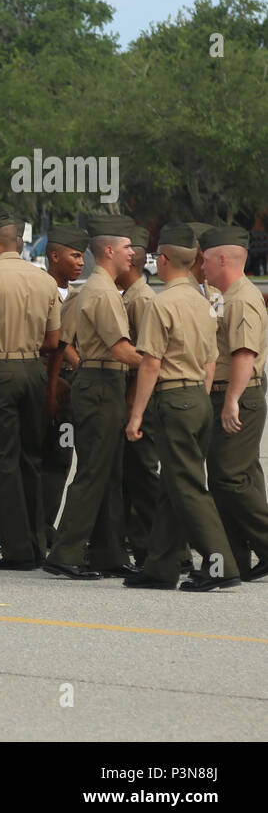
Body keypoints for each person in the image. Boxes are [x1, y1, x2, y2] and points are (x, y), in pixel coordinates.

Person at [124, 223, 236, 591]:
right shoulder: (204, 303)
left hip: (174, 397)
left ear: (164, 259)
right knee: (173, 486)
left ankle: (220, 565)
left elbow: (151, 363)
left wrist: (137, 414)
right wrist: (198, 397)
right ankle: (160, 567)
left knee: (187, 487)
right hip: (197, 398)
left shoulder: (163, 303)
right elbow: (209, 360)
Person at [43, 216, 141, 579]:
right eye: (128, 247)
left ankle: (108, 553)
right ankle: (64, 552)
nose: (134, 253)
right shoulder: (101, 292)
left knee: (110, 473)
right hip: (101, 383)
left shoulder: (104, 289)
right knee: (93, 472)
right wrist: (162, 367)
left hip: (107, 383)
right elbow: (122, 350)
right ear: (110, 251)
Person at [0, 209, 59, 569]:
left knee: (2, 461)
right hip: (33, 368)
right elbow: (53, 340)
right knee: (31, 460)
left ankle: (17, 550)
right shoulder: (45, 280)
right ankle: (37, 544)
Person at [199, 225, 268, 581]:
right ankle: (235, 557)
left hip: (240, 392)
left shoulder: (241, 298)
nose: (203, 266)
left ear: (223, 258)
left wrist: (231, 401)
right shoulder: (224, 295)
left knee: (228, 477)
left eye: (207, 259)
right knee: (241, 474)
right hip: (230, 392)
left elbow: (244, 353)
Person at [30, 224, 88, 551]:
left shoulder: (77, 294)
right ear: (54, 256)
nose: (81, 262)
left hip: (68, 388)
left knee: (60, 459)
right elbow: (49, 339)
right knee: (36, 457)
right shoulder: (38, 289)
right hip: (43, 381)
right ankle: (29, 528)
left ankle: (44, 526)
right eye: (74, 255)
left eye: (83, 256)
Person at [117, 225, 162, 567]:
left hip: (141, 395)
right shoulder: (130, 296)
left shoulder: (143, 299)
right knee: (131, 472)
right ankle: (137, 538)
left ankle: (154, 543)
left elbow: (148, 359)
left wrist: (135, 404)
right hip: (131, 392)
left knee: (144, 473)